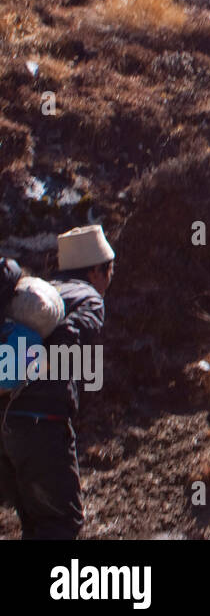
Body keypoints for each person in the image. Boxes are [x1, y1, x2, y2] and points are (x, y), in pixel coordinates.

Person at [0, 225, 114, 539]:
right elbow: (67, 346)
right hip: (40, 425)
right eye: (110, 269)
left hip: (7, 423)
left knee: (36, 525)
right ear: (97, 271)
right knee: (61, 524)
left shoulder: (40, 293)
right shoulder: (89, 298)